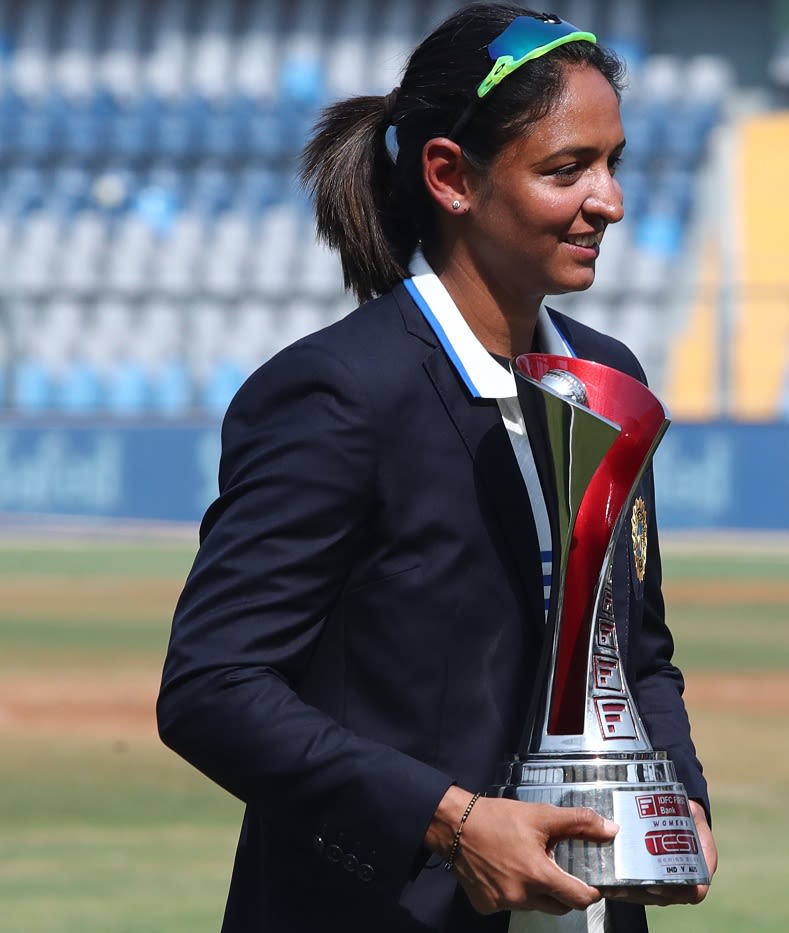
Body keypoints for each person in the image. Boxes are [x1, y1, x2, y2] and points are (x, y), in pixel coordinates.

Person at [155, 4, 716, 932]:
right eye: (567, 168)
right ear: (451, 177)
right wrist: (450, 822)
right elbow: (214, 688)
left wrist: (678, 797)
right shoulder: (337, 393)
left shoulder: (608, 380)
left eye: (614, 162)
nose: (609, 200)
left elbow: (636, 650)